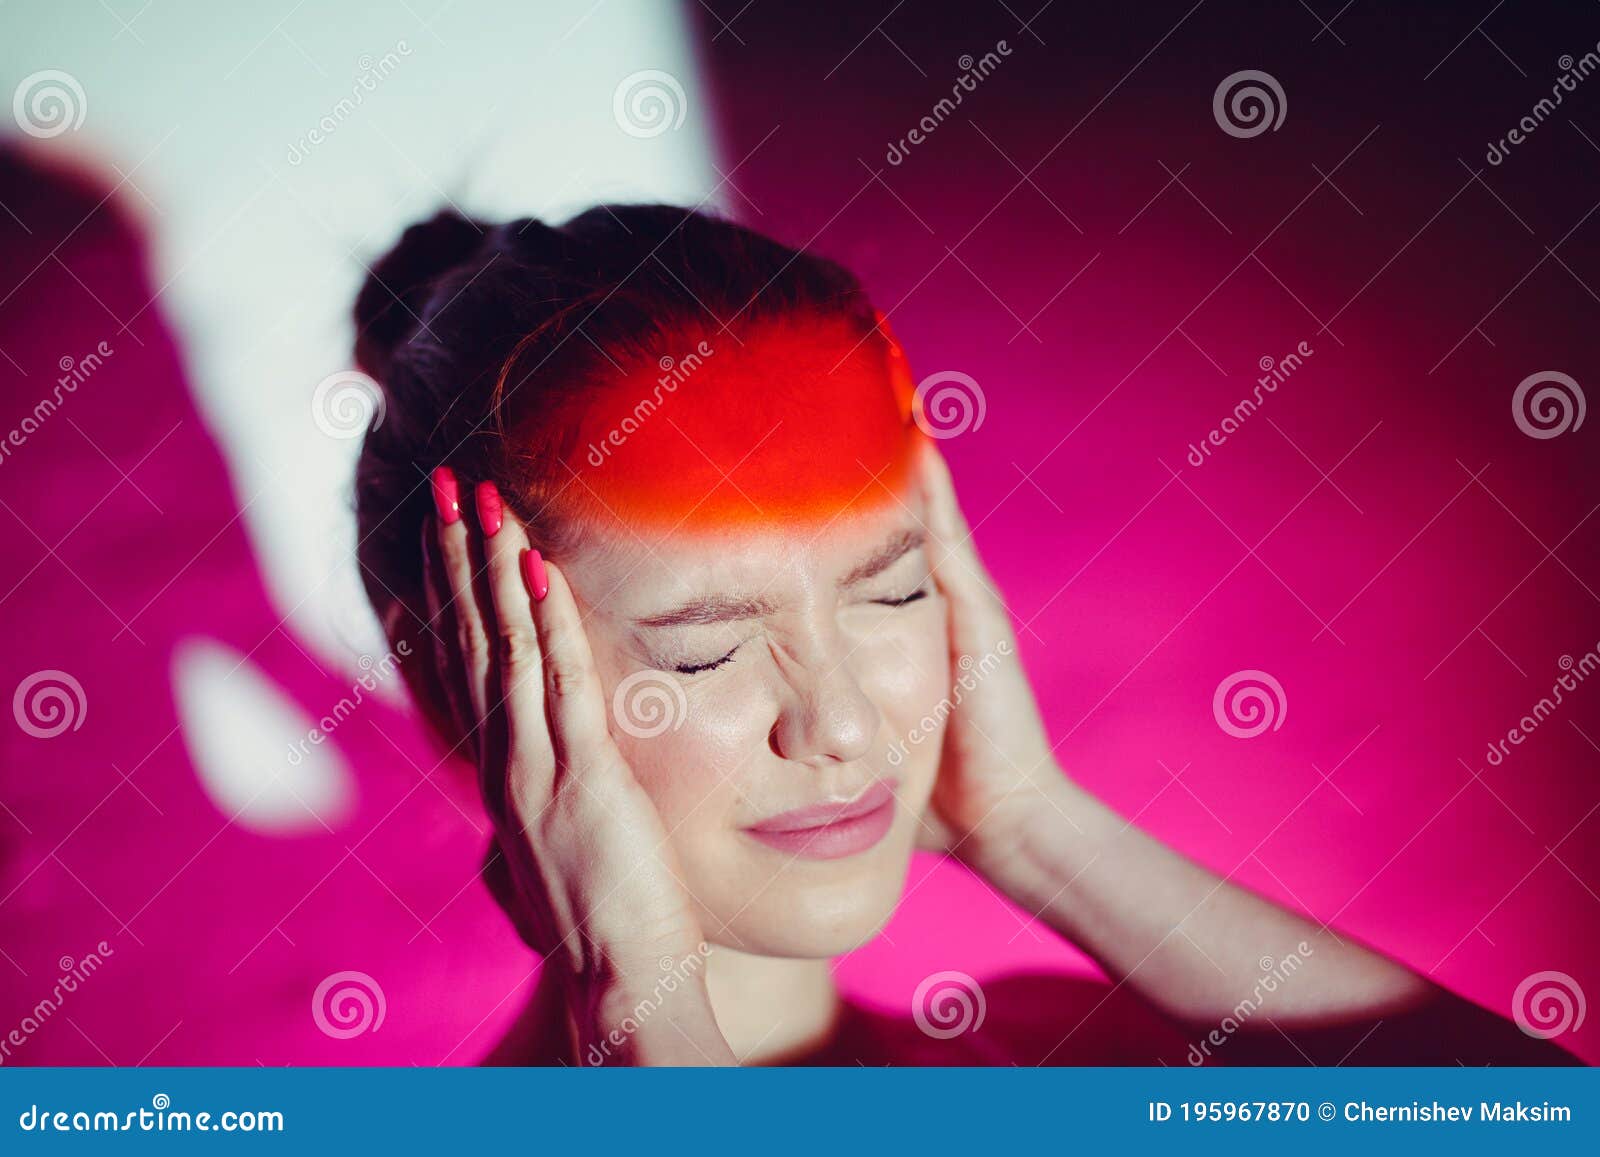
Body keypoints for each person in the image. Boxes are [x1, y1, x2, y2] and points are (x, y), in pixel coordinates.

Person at [351, 205, 1577, 1066]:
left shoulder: (1051, 1062)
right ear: (450, 669)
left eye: (889, 591)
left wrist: (1029, 824)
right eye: (702, 648)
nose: (841, 720)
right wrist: (638, 1009)